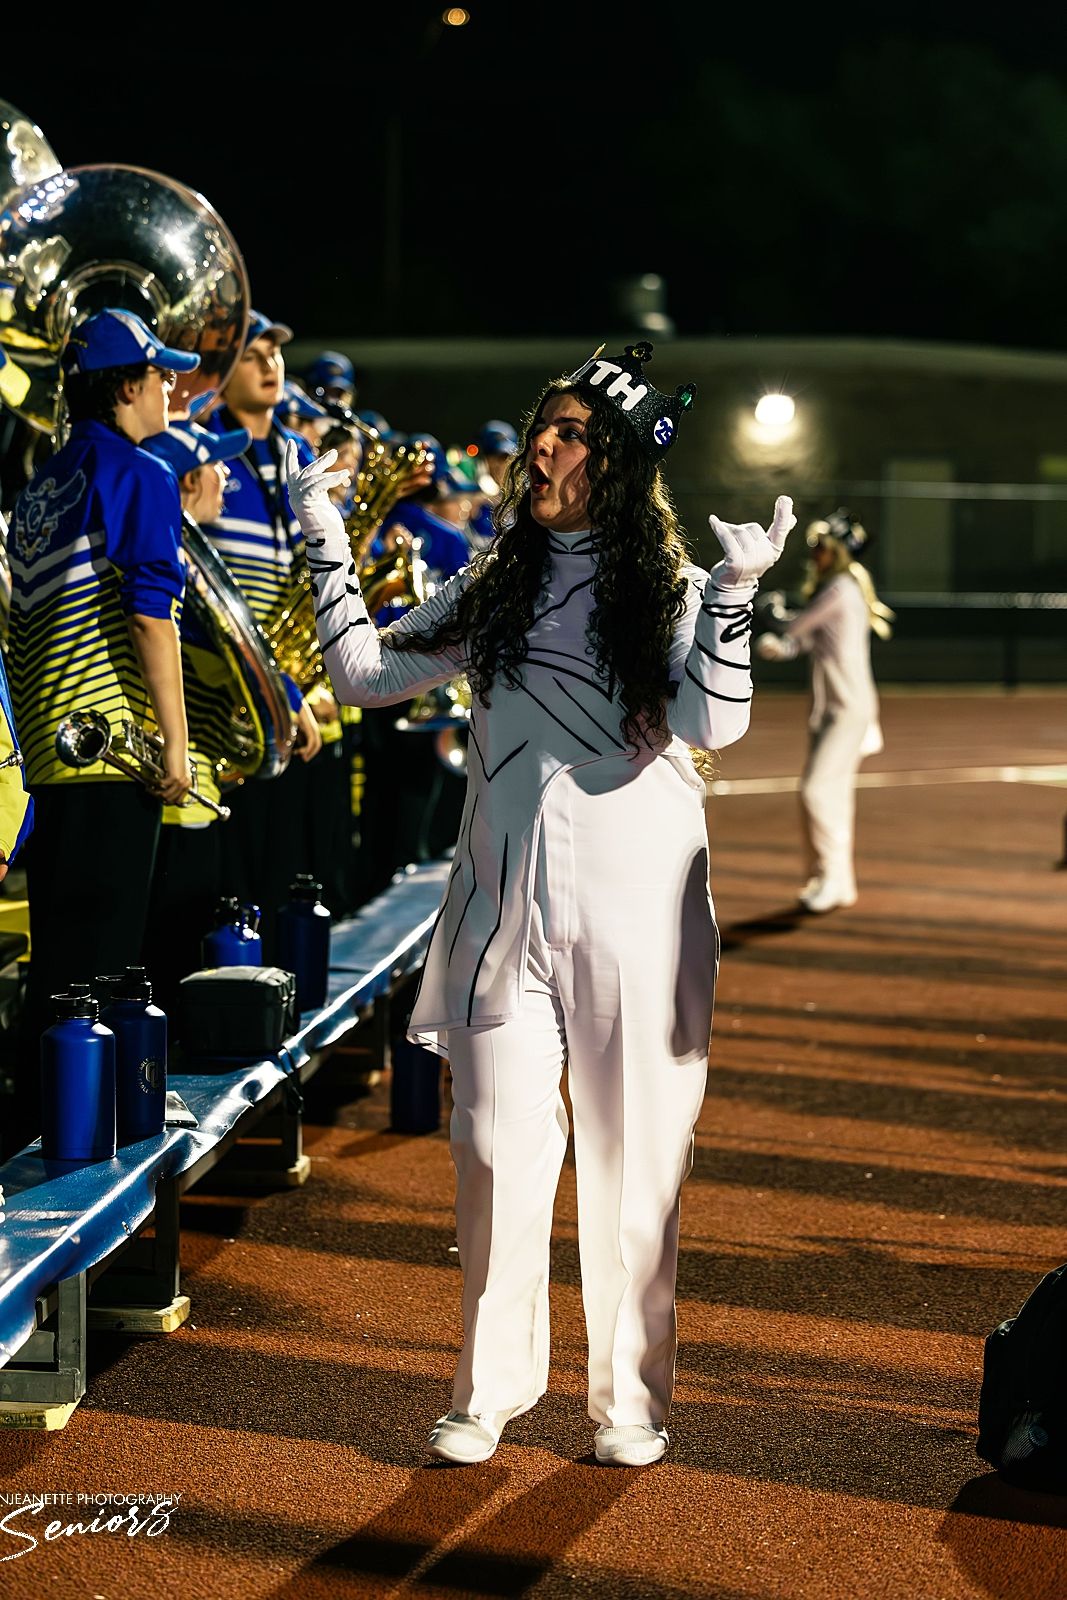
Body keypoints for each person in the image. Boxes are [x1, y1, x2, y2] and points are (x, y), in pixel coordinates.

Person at [285, 340, 794, 1467]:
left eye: (567, 433)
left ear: (611, 462)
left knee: (631, 1163)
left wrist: (735, 600)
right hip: (497, 909)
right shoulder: (497, 579)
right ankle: (487, 1389)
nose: (543, 447)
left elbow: (715, 727)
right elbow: (366, 674)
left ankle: (624, 1404)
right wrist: (322, 535)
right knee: (492, 1149)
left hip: (637, 909)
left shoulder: (663, 585)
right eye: (544, 427)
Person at [6, 308, 195, 1145]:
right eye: (161, 375)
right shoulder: (141, 471)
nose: (172, 388)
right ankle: (80, 1156)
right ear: (127, 385)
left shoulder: (40, 486)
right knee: (108, 966)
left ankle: (32, 1131)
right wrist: (177, 746)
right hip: (114, 754)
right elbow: (153, 618)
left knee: (58, 964)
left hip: (48, 756)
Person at [200, 310, 324, 956]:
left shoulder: (295, 454)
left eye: (276, 350)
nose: (270, 362)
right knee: (226, 880)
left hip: (287, 698)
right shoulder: (202, 446)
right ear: (222, 371)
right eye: (253, 353)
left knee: (283, 873)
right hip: (218, 698)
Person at [140, 414, 251, 1017]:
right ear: (185, 483)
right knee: (166, 966)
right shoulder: (176, 554)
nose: (226, 476)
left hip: (197, 784)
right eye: (214, 465)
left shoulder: (191, 554)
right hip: (176, 792)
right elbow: (207, 657)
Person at [755, 507, 894, 913]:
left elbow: (793, 626)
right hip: (833, 707)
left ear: (838, 551)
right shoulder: (834, 589)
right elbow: (808, 640)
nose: (814, 552)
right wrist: (782, 648)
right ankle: (834, 879)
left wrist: (773, 615)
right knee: (832, 794)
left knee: (816, 791)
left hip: (848, 707)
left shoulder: (841, 590)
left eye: (821, 545)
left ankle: (831, 878)